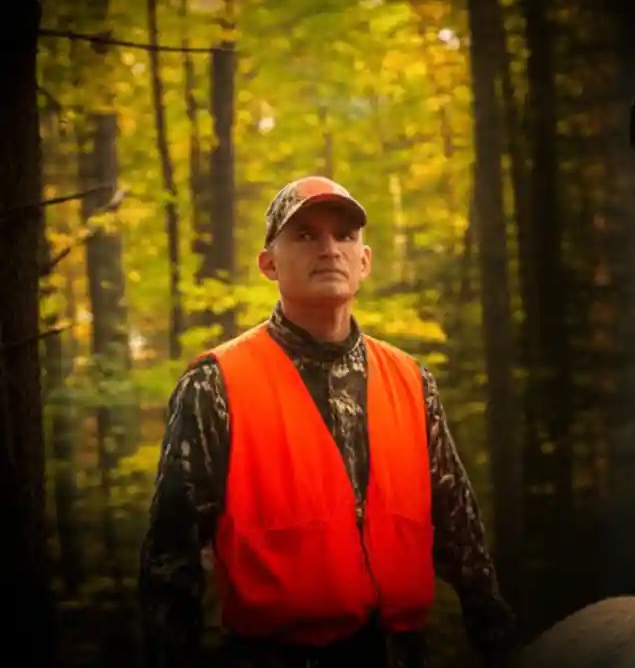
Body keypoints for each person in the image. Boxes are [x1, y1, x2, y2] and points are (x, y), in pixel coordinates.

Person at [139, 176, 516, 667]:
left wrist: (500, 641)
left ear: (365, 260)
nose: (329, 249)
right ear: (269, 264)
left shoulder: (411, 381)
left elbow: (458, 527)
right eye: (305, 235)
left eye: (344, 235)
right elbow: (170, 560)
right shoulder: (216, 384)